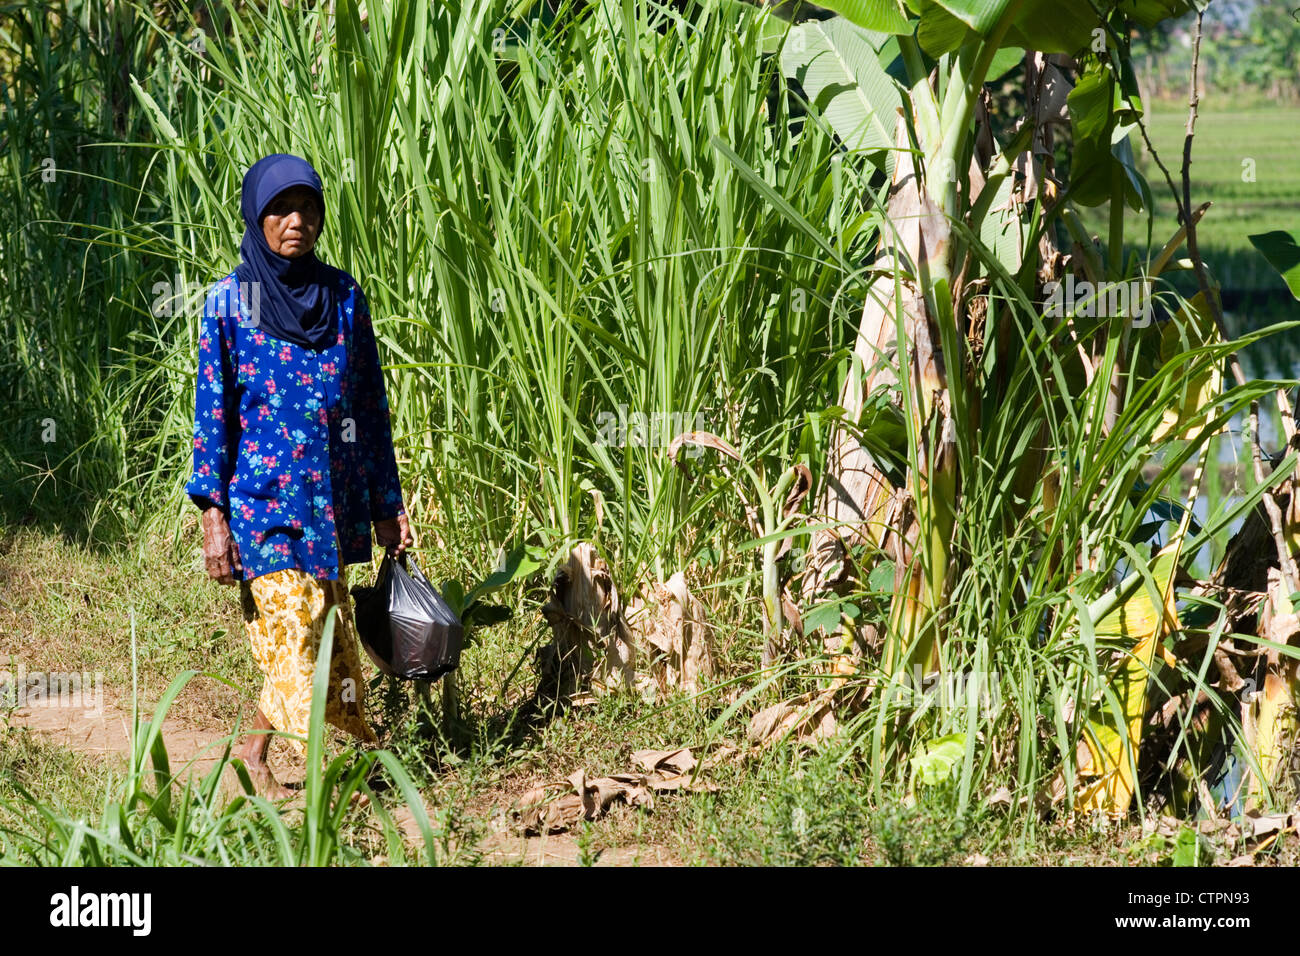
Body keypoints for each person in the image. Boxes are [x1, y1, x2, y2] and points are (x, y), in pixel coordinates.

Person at [185, 153, 413, 798]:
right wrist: (212, 515)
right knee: (297, 624)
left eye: (308, 207)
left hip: (331, 503)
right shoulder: (231, 304)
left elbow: (369, 409)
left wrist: (386, 502)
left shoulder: (343, 300)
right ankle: (326, 774)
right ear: (255, 218)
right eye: (280, 209)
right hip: (262, 502)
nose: (296, 221)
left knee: (317, 629)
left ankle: (256, 752)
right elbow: (213, 412)